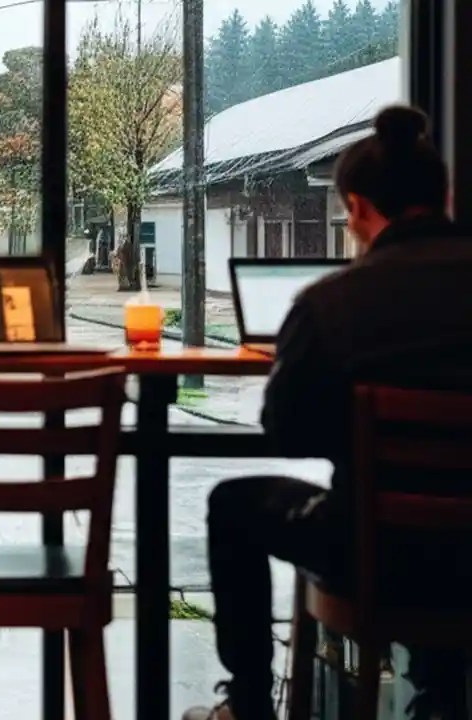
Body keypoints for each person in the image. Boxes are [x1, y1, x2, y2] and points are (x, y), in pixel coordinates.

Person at [185, 105, 472, 720]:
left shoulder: (332, 302)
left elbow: (285, 428)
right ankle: (443, 699)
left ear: (359, 208)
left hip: (375, 548)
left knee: (233, 505)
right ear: (444, 195)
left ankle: (250, 706)